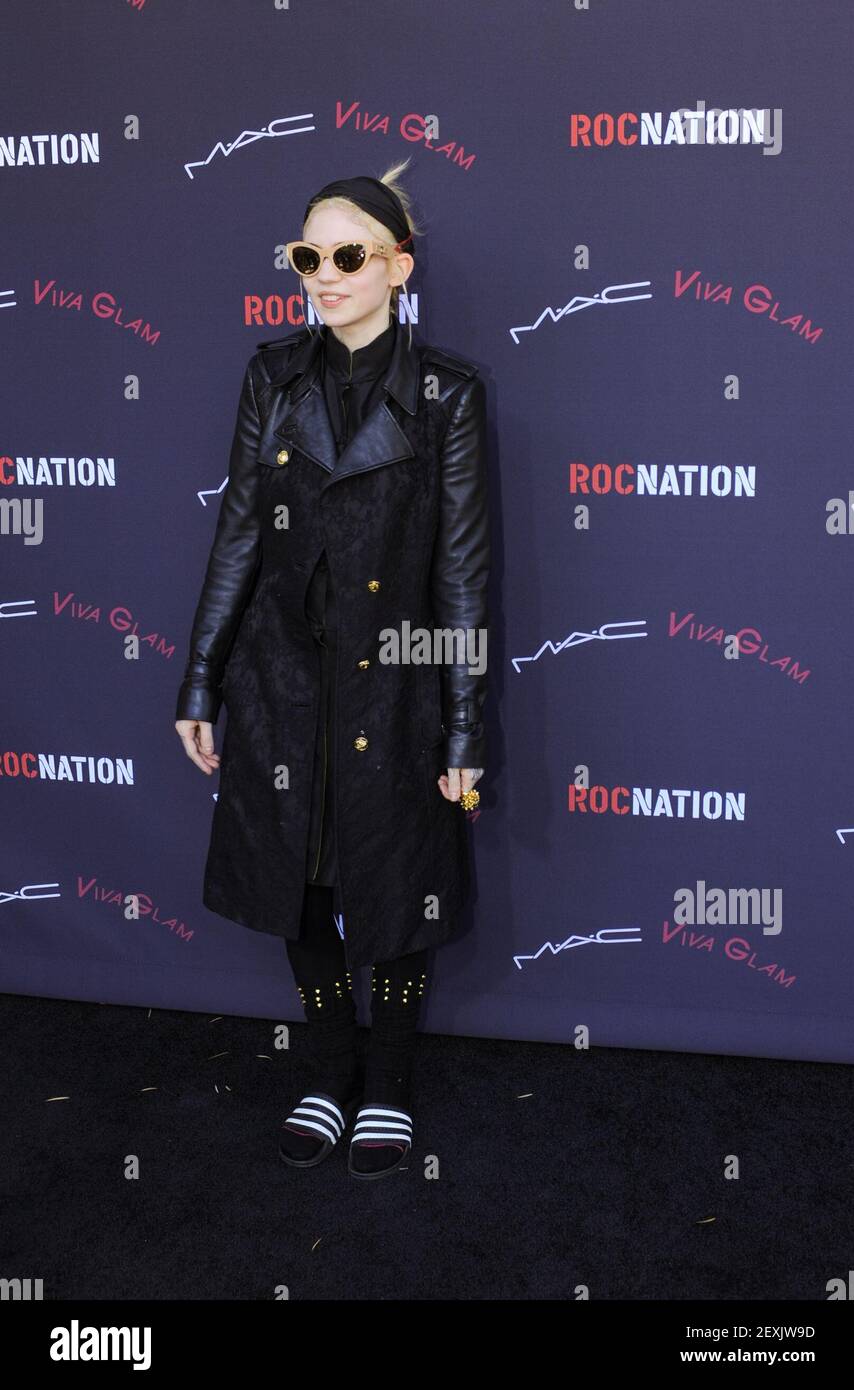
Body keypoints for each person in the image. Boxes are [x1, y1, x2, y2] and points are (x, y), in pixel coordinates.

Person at [174, 159, 490, 1180]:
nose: (324, 272)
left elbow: (462, 572)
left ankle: (387, 1080)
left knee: (395, 881)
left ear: (398, 266)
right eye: (307, 254)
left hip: (395, 678)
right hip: (283, 678)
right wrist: (200, 679)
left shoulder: (449, 393)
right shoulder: (271, 375)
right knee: (298, 882)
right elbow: (235, 535)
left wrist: (461, 730)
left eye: (347, 254)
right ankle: (323, 1068)